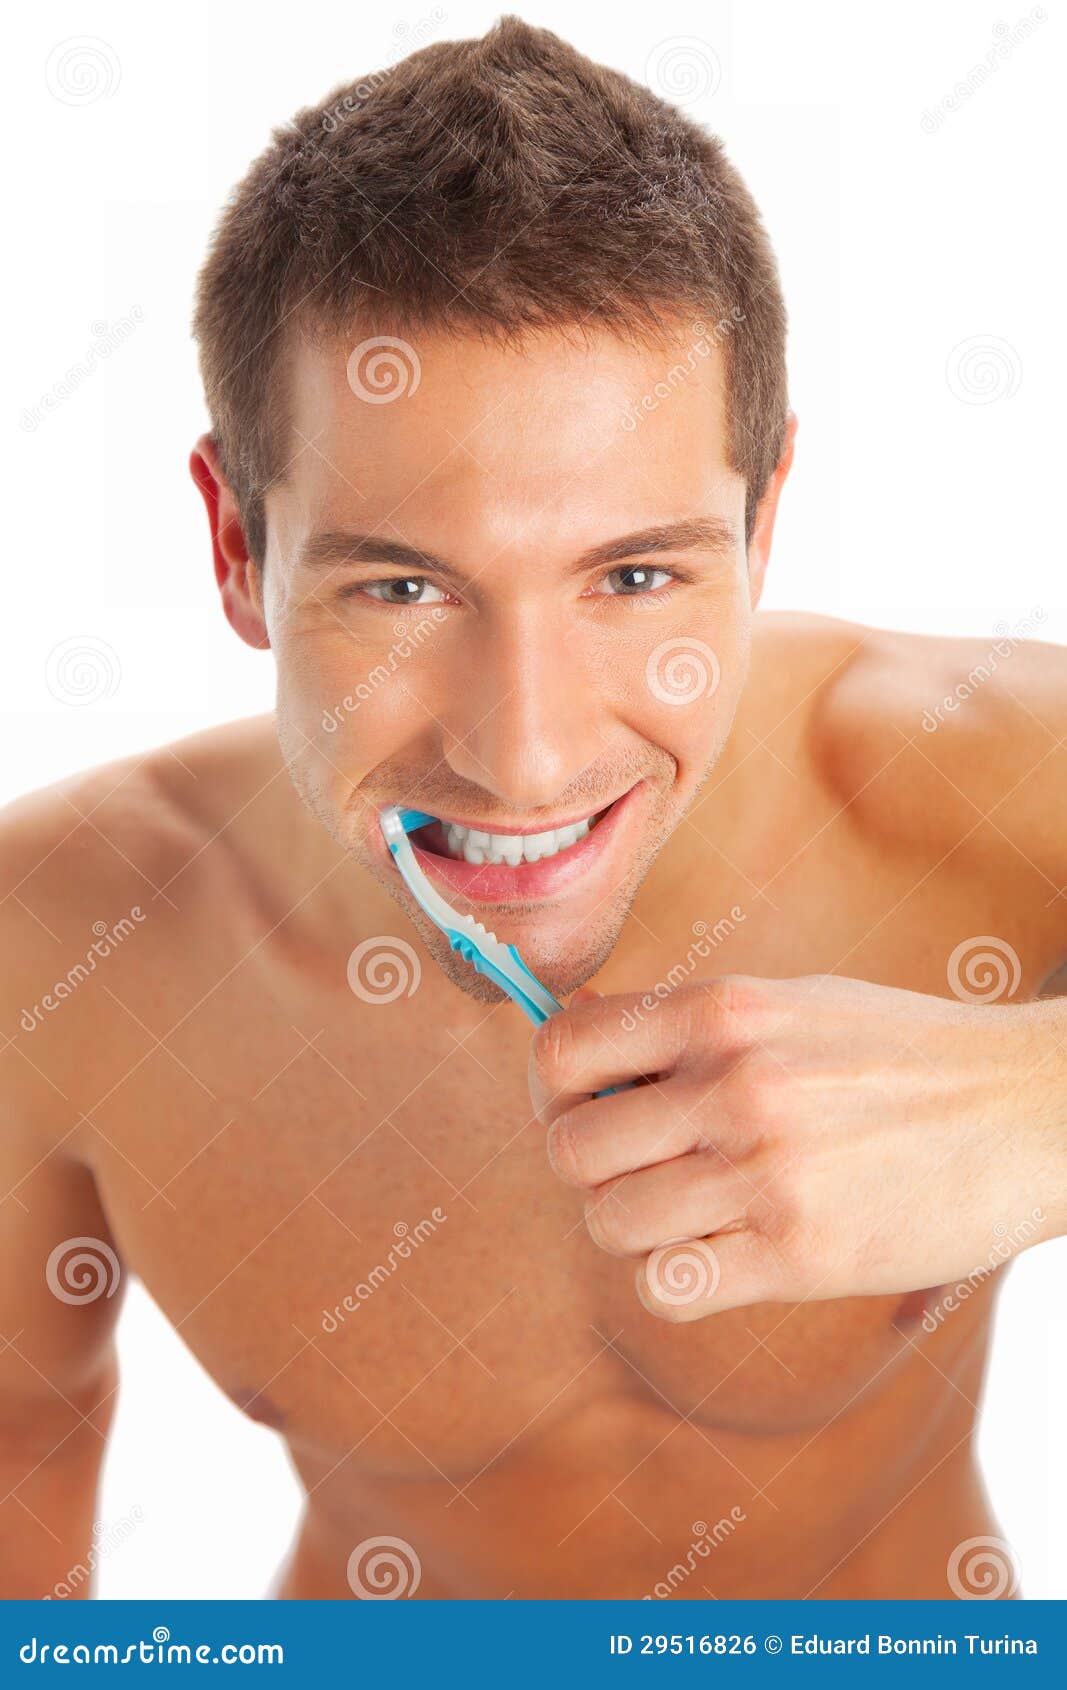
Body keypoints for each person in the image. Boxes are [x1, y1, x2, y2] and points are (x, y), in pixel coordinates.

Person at [2, 16, 1063, 1602]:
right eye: (404, 585)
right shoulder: (56, 942)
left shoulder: (983, 784)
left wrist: (1040, 1107)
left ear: (764, 521)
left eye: (635, 577)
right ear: (238, 546)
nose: (526, 755)